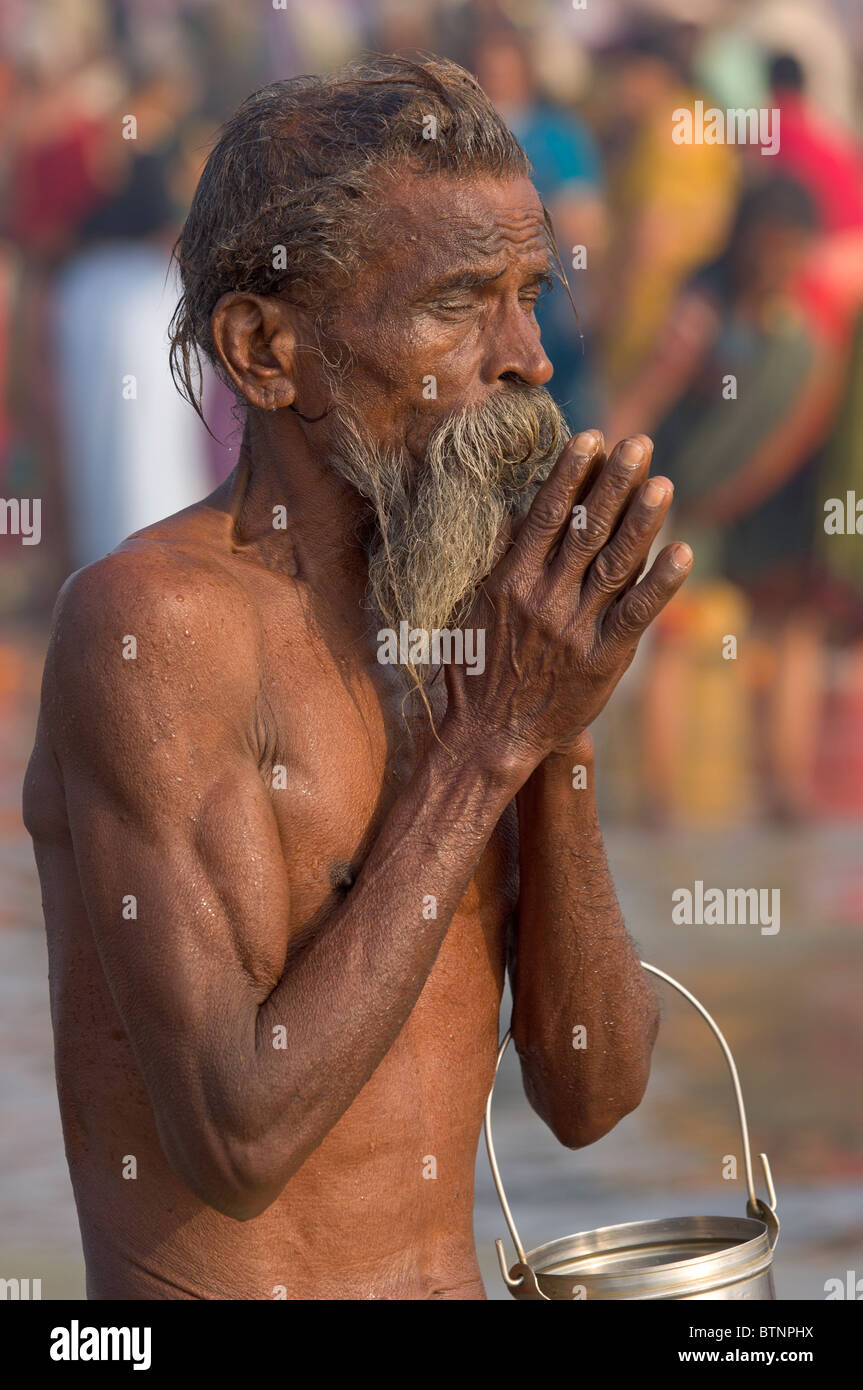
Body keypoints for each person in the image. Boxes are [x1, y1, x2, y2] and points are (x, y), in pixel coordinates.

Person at [24, 56, 691, 1301]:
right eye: (458, 304)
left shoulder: (463, 619)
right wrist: (494, 740)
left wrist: (559, 720)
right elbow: (237, 1139)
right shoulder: (153, 627)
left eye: (527, 295)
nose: (528, 361)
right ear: (268, 348)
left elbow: (591, 1094)